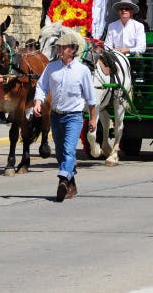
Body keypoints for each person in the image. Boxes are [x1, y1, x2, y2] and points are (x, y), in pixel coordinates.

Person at [34, 31, 97, 202]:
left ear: (73, 49)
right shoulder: (51, 67)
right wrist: (38, 102)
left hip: (74, 117)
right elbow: (41, 86)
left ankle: (62, 181)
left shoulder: (82, 71)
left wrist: (92, 119)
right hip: (56, 116)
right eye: (58, 47)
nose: (59, 50)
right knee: (61, 153)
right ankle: (72, 183)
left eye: (62, 47)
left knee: (69, 150)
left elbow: (91, 98)